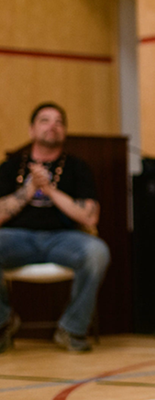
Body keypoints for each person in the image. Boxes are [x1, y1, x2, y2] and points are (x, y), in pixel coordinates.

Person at [0, 103, 109, 354]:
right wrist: (28, 190)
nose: (53, 126)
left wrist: (49, 190)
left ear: (65, 131)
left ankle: (72, 328)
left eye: (59, 122)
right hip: (17, 238)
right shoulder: (10, 167)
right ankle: (4, 321)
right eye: (45, 120)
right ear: (31, 130)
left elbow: (89, 217)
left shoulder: (77, 167)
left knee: (97, 252)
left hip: (64, 239)